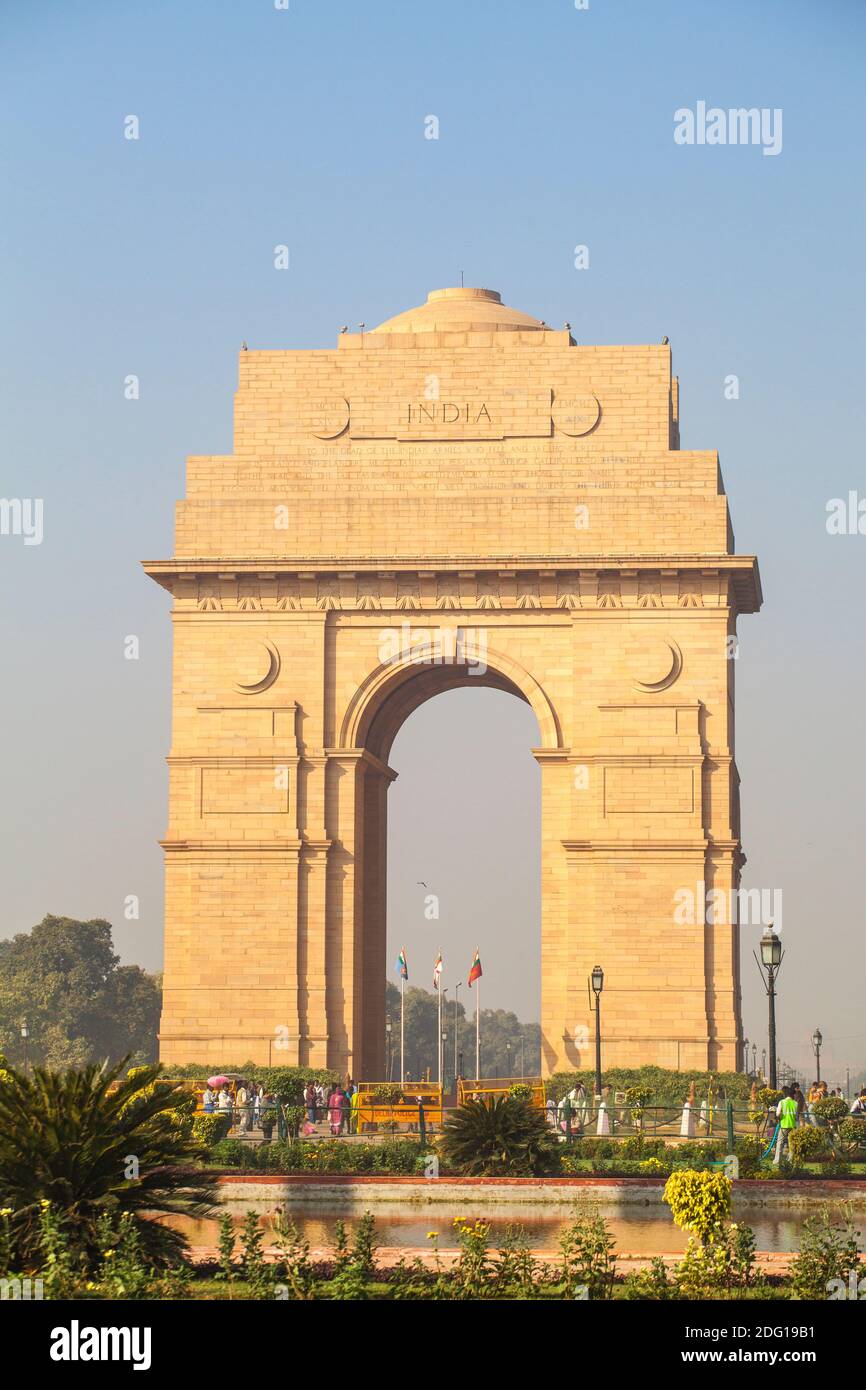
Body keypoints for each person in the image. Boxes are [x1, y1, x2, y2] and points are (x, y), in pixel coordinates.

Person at [774, 1085, 798, 1163]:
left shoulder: (782, 1102)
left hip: (784, 1125)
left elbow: (777, 1114)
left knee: (780, 1142)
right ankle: (790, 1160)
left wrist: (777, 1113)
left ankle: (777, 1160)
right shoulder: (795, 1103)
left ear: (786, 1094)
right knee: (791, 1144)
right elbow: (796, 1115)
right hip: (793, 1125)